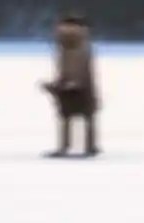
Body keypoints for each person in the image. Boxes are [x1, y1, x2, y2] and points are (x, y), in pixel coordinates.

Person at [41, 12, 100, 157]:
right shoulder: (65, 46)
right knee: (73, 116)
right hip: (71, 84)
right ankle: (84, 146)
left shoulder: (76, 46)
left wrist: (71, 82)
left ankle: (85, 146)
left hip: (79, 85)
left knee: (78, 115)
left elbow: (78, 66)